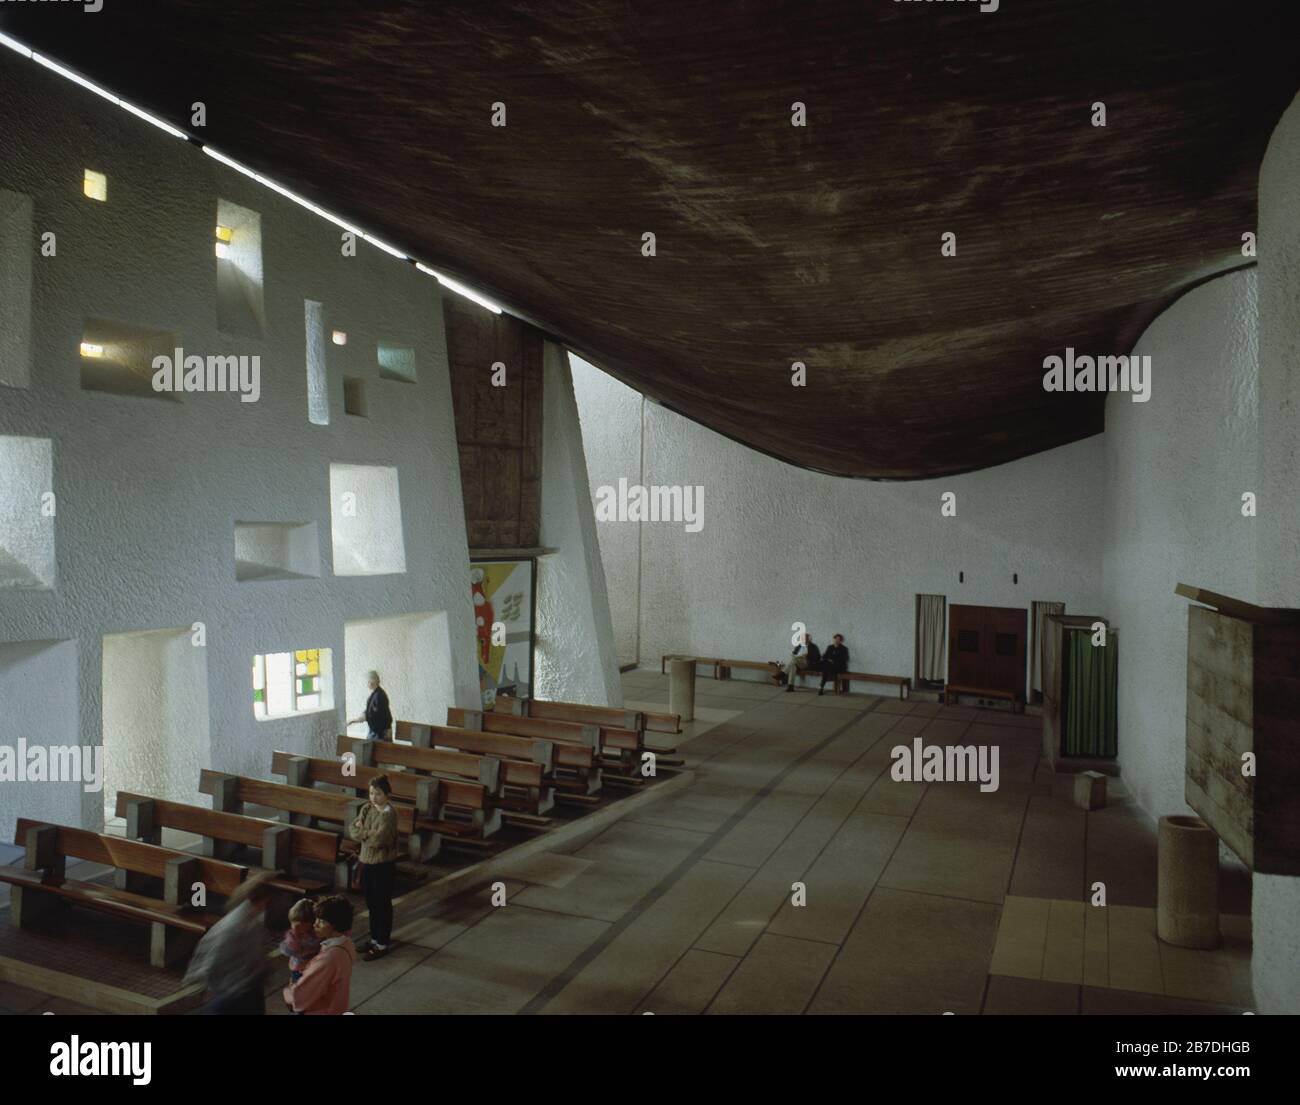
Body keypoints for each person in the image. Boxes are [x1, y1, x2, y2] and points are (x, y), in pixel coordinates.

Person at [183, 871, 277, 1015]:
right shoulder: (236, 925)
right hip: (236, 989)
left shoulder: (251, 919)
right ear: (261, 899)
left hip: (244, 986)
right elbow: (214, 959)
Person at [350, 775, 399, 961]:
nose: (373, 797)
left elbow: (380, 840)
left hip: (383, 865)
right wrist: (367, 834)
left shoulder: (389, 814)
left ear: (387, 795)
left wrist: (364, 834)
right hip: (367, 862)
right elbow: (352, 829)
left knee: (382, 904)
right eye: (371, 793)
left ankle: (382, 943)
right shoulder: (366, 808)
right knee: (371, 902)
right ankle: (374, 938)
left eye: (378, 794)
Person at [282, 895, 357, 1015]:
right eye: (316, 919)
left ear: (335, 925)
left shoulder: (328, 958)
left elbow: (301, 995)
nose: (315, 925)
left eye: (321, 921)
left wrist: (288, 992)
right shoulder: (346, 943)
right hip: (336, 1006)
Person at [280, 898, 322, 984]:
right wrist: (294, 944)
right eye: (292, 924)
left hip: (313, 969)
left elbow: (319, 947)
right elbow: (285, 950)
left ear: (310, 923)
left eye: (298, 925)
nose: (294, 928)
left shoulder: (317, 934)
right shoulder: (292, 935)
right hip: (297, 968)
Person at [349, 670, 392, 740]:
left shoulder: (379, 695)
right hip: (377, 730)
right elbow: (370, 709)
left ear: (372, 682)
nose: (367, 684)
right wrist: (364, 714)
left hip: (380, 732)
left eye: (368, 682)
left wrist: (357, 719)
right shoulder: (376, 693)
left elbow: (376, 714)